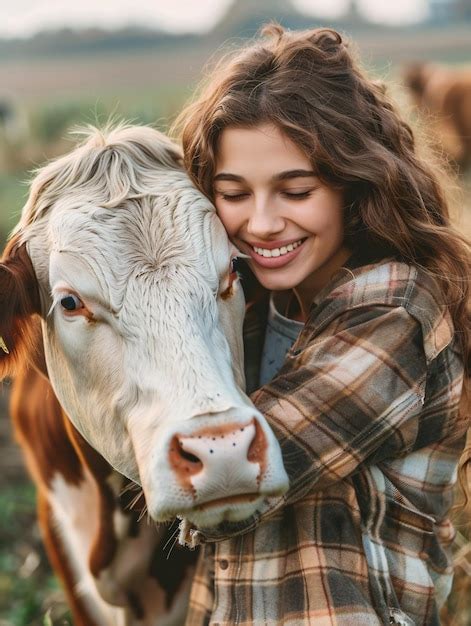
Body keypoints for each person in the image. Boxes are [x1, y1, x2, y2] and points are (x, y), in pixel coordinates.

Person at [172, 24, 470, 626]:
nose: (261, 223)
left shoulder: (395, 311)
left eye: (296, 190)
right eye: (232, 193)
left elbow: (239, 474)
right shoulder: (248, 310)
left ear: (355, 183)